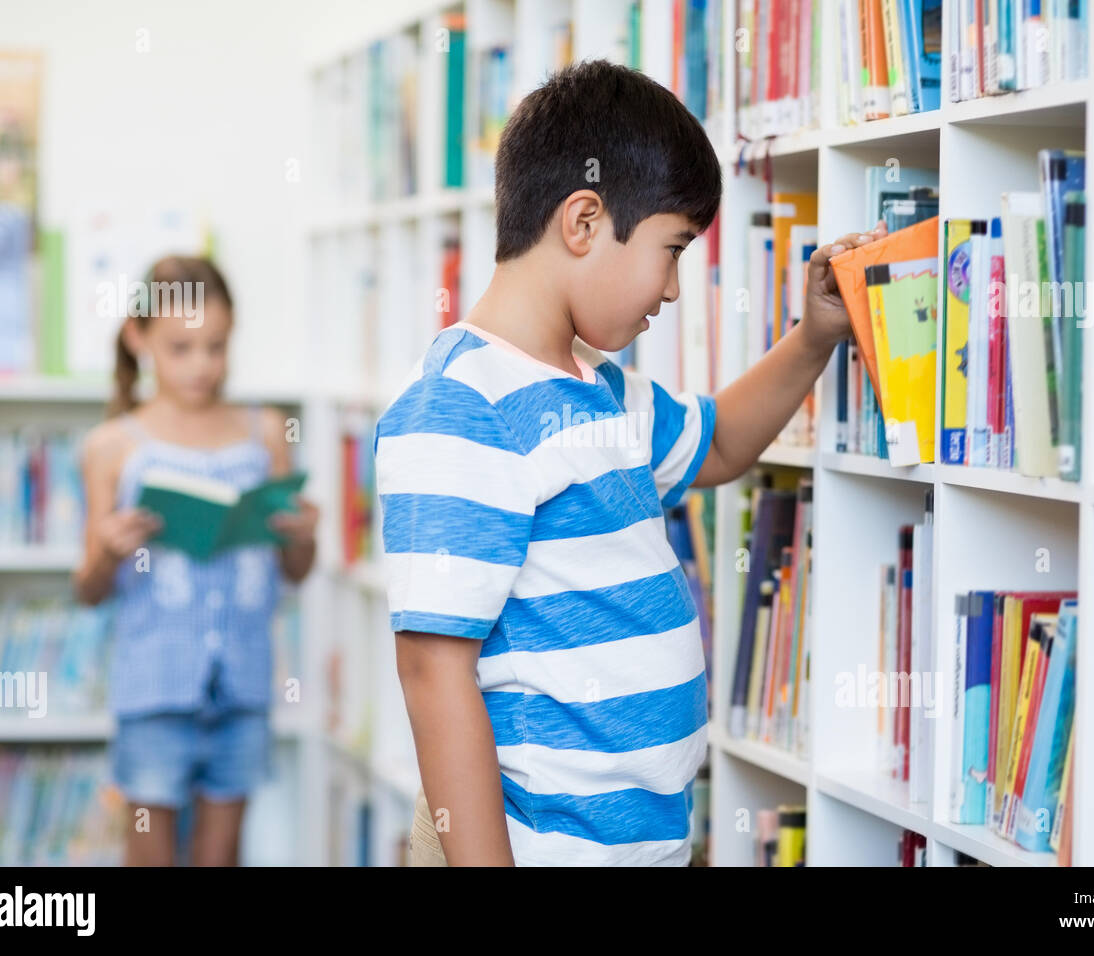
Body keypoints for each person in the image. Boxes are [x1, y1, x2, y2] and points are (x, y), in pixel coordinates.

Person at [375, 59, 886, 866]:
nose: (675, 289)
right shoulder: (460, 408)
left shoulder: (603, 390)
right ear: (583, 222)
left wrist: (815, 334)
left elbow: (718, 443)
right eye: (672, 249)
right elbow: (434, 675)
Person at [73, 255, 319, 866]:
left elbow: (296, 572)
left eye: (216, 346)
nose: (201, 366)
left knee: (221, 856)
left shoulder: (266, 433)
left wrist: (303, 535)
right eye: (180, 348)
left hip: (242, 690)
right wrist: (107, 549)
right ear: (140, 338)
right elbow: (88, 590)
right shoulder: (112, 447)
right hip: (152, 689)